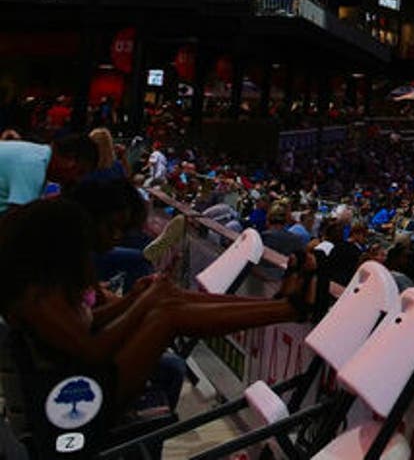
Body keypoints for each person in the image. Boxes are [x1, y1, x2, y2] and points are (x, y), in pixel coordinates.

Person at [0, 187, 323, 439]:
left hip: (83, 378)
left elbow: (90, 325)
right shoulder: (36, 298)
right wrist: (145, 300)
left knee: (166, 299)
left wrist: (136, 297)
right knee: (166, 313)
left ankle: (284, 305)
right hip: (80, 398)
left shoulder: (45, 287)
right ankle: (288, 309)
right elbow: (91, 348)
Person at [1, 133, 100, 205]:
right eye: (79, 172)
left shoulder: (37, 155)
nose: (76, 180)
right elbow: (20, 219)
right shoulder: (34, 165)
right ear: (70, 160)